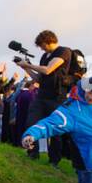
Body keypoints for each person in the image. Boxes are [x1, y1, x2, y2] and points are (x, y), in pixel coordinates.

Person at [14, 30, 75, 166]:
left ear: (48, 42)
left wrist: (28, 64)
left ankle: (54, 160)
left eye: (42, 45)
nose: (41, 48)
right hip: (41, 96)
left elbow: (48, 69)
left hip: (57, 97)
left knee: (55, 130)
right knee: (31, 122)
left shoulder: (63, 51)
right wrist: (25, 68)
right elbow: (39, 78)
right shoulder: (44, 56)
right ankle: (32, 153)